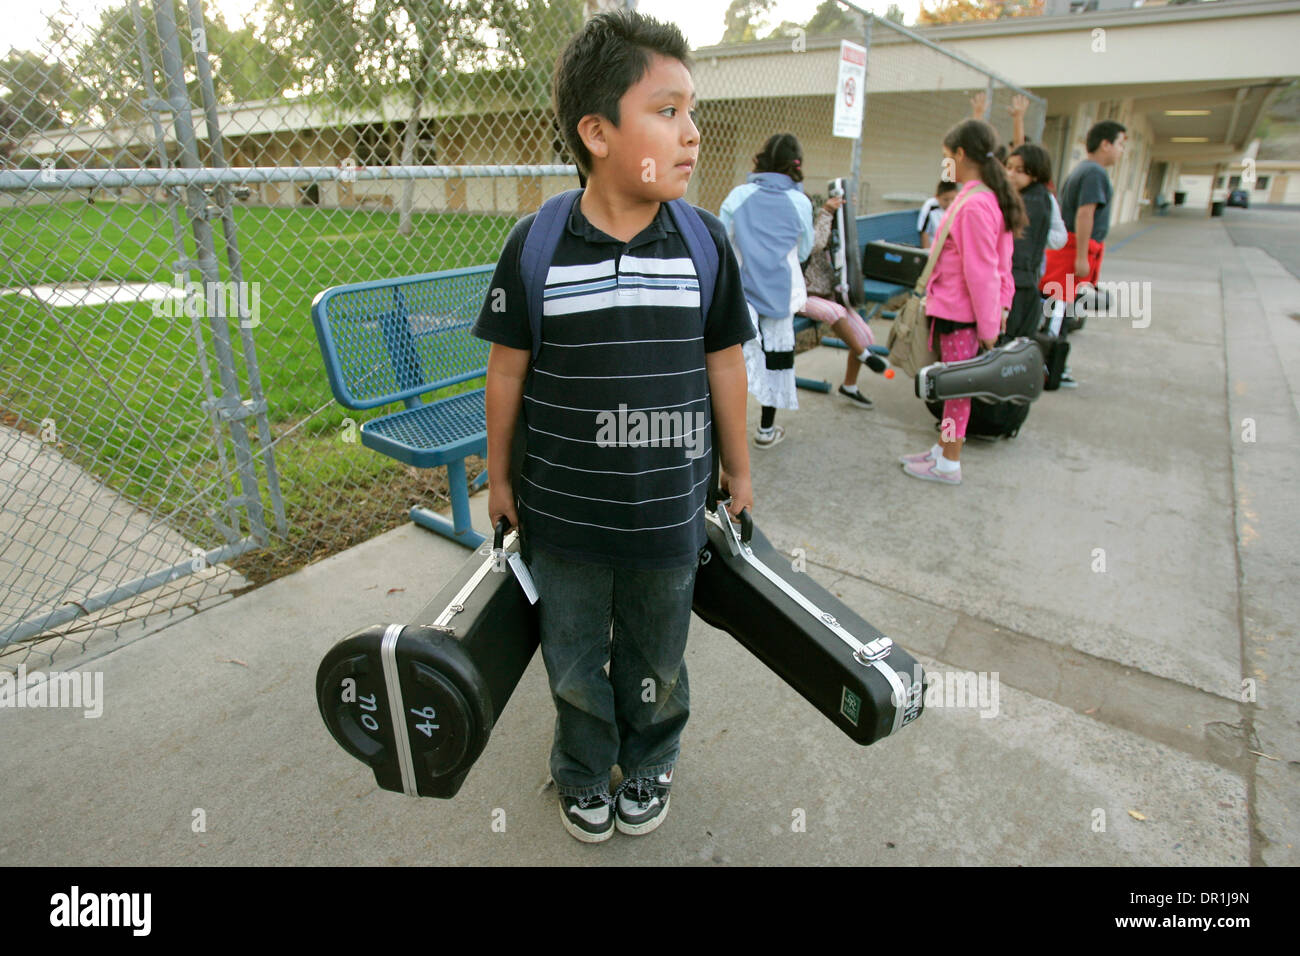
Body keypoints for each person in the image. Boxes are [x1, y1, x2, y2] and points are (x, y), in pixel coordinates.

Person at [471, 8, 755, 843]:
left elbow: (726, 364)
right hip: (563, 521)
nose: (692, 134)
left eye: (691, 110)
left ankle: (654, 755)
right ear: (597, 131)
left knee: (657, 663)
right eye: (667, 111)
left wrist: (740, 470)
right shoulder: (537, 244)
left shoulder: (705, 242)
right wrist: (502, 476)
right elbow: (508, 370)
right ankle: (583, 769)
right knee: (573, 664)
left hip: (667, 518)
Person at [900, 119, 1024, 485]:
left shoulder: (971, 205)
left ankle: (949, 461)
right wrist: (998, 311)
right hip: (964, 313)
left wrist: (988, 327)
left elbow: (982, 272)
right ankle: (942, 450)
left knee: (956, 390)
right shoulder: (984, 198)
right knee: (955, 386)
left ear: (961, 154)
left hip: (962, 315)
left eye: (947, 157)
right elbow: (1002, 265)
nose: (945, 165)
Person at [719, 133, 815, 449]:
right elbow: (804, 251)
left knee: (732, 360)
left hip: (741, 293)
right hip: (780, 294)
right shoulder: (800, 202)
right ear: (795, 165)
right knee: (776, 359)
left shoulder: (738, 196)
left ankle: (723, 434)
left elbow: (724, 243)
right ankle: (765, 430)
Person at [1039, 119, 1127, 387]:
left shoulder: (1084, 171)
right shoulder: (1094, 173)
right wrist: (1080, 257)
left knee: (1061, 308)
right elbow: (1085, 213)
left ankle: (1052, 364)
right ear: (1105, 144)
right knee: (1059, 309)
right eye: (1120, 144)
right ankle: (1048, 365)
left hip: (1074, 250)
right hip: (1073, 252)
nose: (1122, 151)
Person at [799, 191, 884, 408]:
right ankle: (864, 355)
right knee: (835, 313)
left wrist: (843, 212)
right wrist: (827, 212)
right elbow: (813, 245)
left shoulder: (819, 226)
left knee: (865, 336)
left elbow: (838, 240)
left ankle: (849, 386)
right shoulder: (796, 232)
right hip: (798, 296)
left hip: (827, 295)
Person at [1004, 143, 1054, 340]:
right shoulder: (1036, 196)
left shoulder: (1031, 202)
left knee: (1006, 344)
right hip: (1025, 284)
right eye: (1008, 167)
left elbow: (1019, 250)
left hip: (1018, 288)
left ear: (1036, 173)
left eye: (1019, 171)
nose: (1011, 174)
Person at [918, 180, 959, 250]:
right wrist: (928, 255)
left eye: (953, 199)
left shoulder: (959, 205)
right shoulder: (930, 206)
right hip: (936, 250)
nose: (950, 204)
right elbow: (924, 232)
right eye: (945, 200)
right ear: (937, 197)